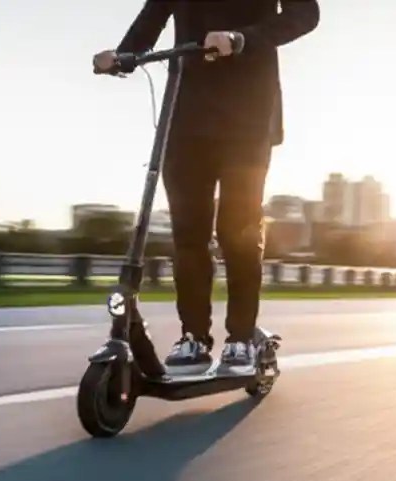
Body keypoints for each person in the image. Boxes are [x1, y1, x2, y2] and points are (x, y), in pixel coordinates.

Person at [93, 0, 319, 375]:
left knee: (238, 229)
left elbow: (304, 15)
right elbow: (153, 16)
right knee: (187, 232)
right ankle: (193, 337)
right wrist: (122, 54)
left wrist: (242, 38)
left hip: (248, 117)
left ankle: (241, 337)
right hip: (186, 114)